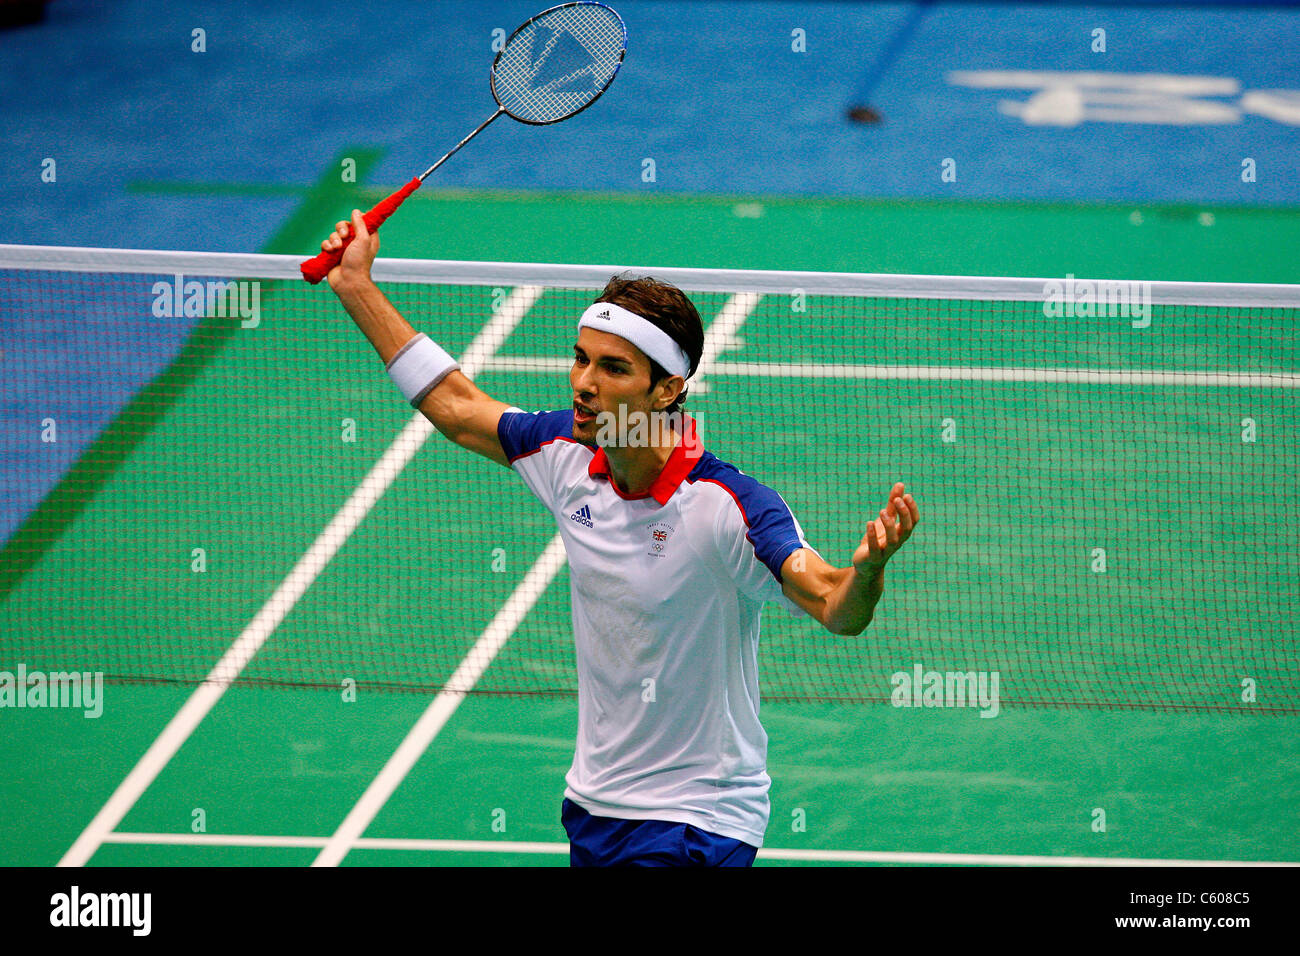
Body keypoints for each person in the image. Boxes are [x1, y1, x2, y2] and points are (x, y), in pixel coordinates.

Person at [320, 210, 920, 867]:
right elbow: (458, 408)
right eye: (581, 359)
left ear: (667, 389)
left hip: (699, 817)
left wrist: (867, 573)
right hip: (598, 805)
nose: (584, 383)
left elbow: (835, 606)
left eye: (613, 369)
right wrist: (357, 288)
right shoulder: (566, 455)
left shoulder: (728, 509)